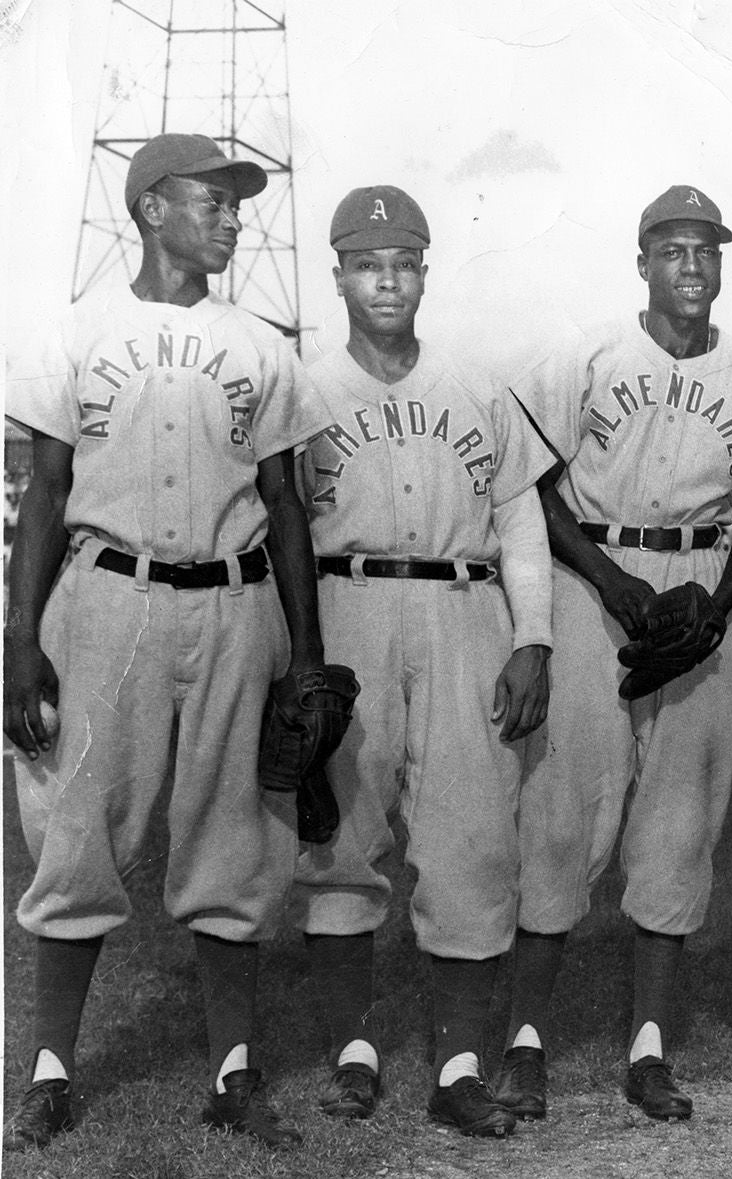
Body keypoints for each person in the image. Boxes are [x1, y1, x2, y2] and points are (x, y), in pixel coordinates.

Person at [2, 132, 331, 1151]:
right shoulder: (77, 330)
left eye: (238, 202)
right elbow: (45, 493)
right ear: (152, 208)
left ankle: (235, 1074)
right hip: (108, 596)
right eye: (212, 200)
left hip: (235, 605)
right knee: (78, 828)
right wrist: (18, 639)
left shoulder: (261, 345)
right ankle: (52, 1070)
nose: (233, 217)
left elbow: (286, 508)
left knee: (234, 834)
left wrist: (306, 656)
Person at [502, 185, 732, 1121]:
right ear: (642, 263)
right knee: (563, 811)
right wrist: (608, 579)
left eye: (707, 250)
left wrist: (719, 612)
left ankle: (649, 1047)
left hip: (702, 587)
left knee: (679, 826)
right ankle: (524, 1042)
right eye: (674, 250)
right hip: (599, 582)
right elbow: (533, 484)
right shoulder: (587, 354)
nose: (693, 267)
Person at [285, 186, 555, 1138]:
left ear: (424, 273)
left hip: (460, 605)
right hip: (347, 605)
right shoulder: (303, 390)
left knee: (471, 835)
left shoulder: (477, 386)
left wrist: (533, 638)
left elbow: (521, 524)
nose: (386, 279)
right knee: (341, 833)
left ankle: (460, 1064)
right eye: (367, 263)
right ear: (340, 276)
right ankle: (356, 1053)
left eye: (402, 262)